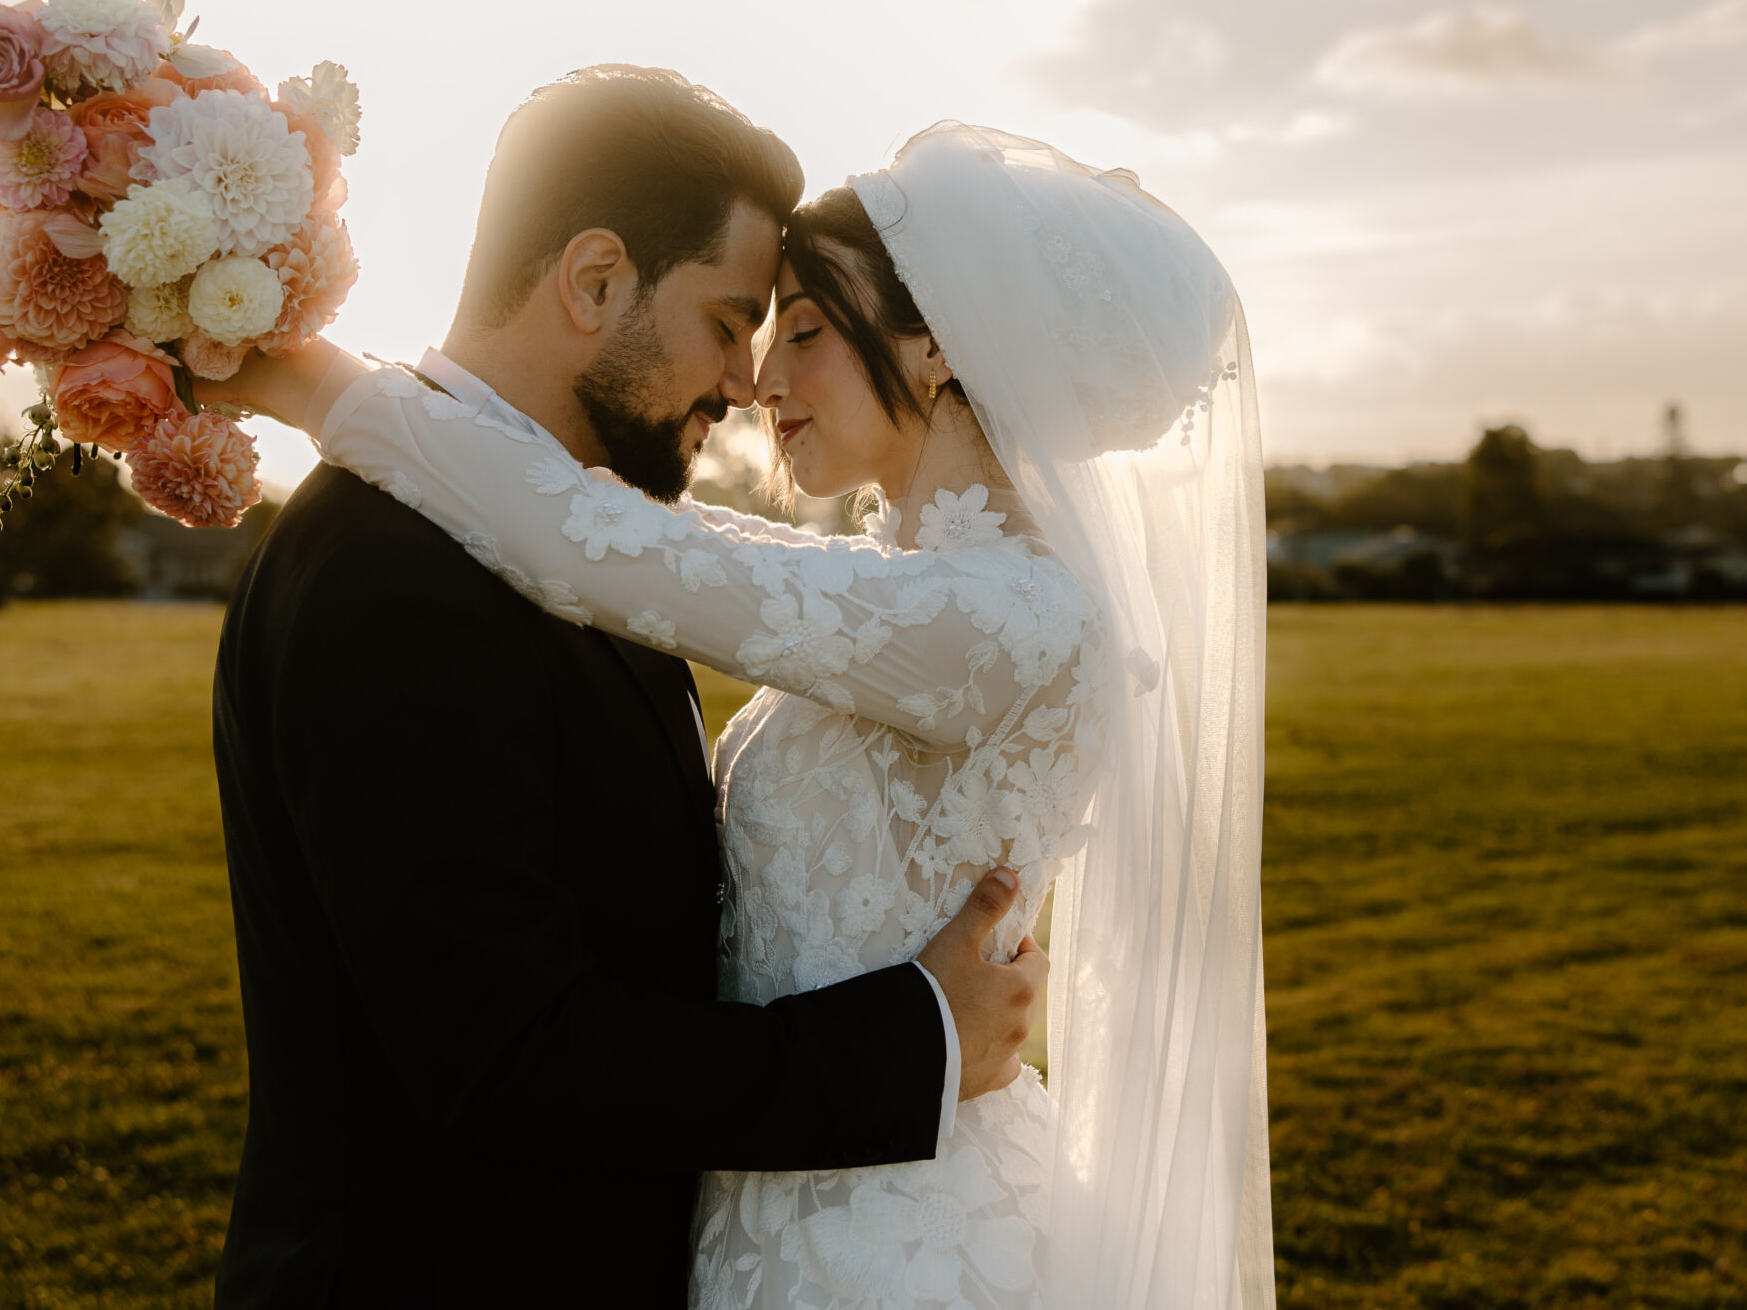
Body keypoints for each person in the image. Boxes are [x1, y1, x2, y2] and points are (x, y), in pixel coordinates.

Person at [224, 114, 1276, 1308]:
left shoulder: (1011, 617)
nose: (759, 378)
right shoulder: (894, 589)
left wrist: (313, 384)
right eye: (747, 325)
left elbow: (612, 549)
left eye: (803, 329)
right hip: (765, 1202)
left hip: (891, 1238)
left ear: (937, 344)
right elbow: (649, 538)